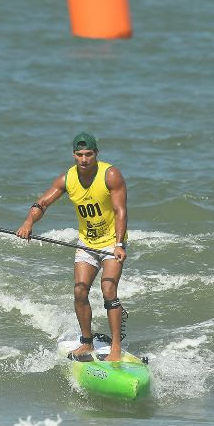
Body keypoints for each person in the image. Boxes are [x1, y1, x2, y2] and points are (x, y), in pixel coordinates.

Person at [16, 132, 129, 362]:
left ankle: (116, 347)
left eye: (89, 154)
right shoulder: (67, 179)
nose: (84, 159)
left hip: (110, 242)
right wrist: (28, 221)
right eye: (79, 155)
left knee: (108, 291)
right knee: (79, 292)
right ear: (73, 155)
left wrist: (118, 244)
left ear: (96, 154)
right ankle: (86, 343)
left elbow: (120, 211)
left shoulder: (110, 175)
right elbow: (43, 203)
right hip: (87, 242)